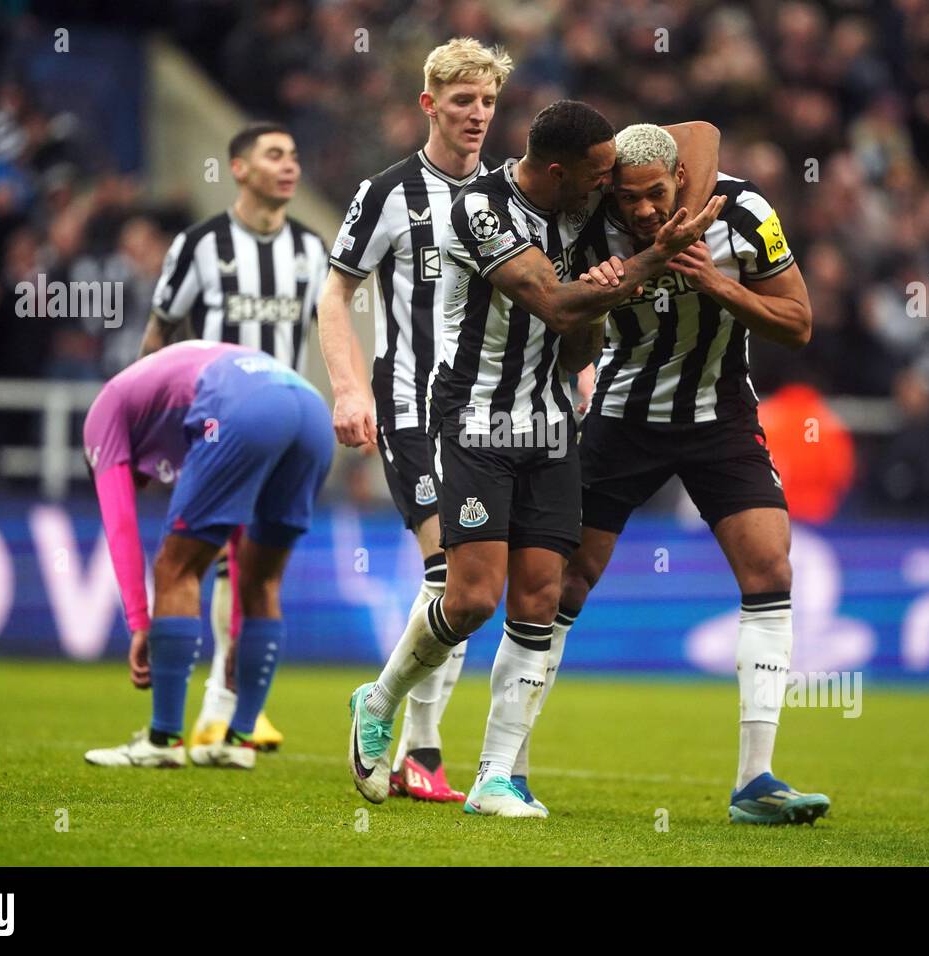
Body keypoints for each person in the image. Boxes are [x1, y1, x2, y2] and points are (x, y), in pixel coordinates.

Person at [346, 100, 725, 816]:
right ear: (560, 172)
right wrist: (662, 253)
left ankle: (496, 776)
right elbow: (553, 302)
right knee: (472, 599)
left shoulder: (581, 204)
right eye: (601, 174)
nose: (611, 187)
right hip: (477, 421)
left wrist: (677, 220)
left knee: (540, 598)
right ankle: (379, 698)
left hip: (552, 422)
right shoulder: (479, 211)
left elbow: (699, 133)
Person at [546, 124, 829, 824]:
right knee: (565, 582)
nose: (643, 211)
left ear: (681, 180)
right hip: (621, 415)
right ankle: (506, 766)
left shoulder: (744, 216)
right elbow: (568, 331)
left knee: (770, 570)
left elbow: (796, 324)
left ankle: (755, 781)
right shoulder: (585, 232)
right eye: (628, 199)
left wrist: (715, 285)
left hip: (720, 417)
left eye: (656, 195)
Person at [317, 38, 514, 802]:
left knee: (465, 586)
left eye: (488, 102)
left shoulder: (505, 196)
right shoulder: (388, 192)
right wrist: (346, 388)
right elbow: (336, 294)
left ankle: (408, 738)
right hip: (407, 405)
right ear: (429, 104)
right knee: (450, 575)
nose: (476, 115)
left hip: (489, 414)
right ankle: (416, 744)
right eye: (462, 100)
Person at [136, 122, 329, 752]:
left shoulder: (310, 250)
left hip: (283, 426)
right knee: (216, 561)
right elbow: (159, 333)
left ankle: (226, 709)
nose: (290, 166)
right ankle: (223, 709)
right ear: (238, 168)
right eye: (275, 154)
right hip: (217, 424)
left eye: (295, 155)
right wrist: (150, 425)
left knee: (256, 569)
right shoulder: (200, 245)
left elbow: (326, 334)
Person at [82, 341, 332, 769]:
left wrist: (140, 624)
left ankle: (163, 741)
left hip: (244, 406)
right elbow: (233, 527)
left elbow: (120, 525)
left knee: (173, 567)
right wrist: (237, 630)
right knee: (263, 581)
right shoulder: (171, 407)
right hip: (310, 410)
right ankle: (239, 740)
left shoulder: (104, 414)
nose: (145, 484)